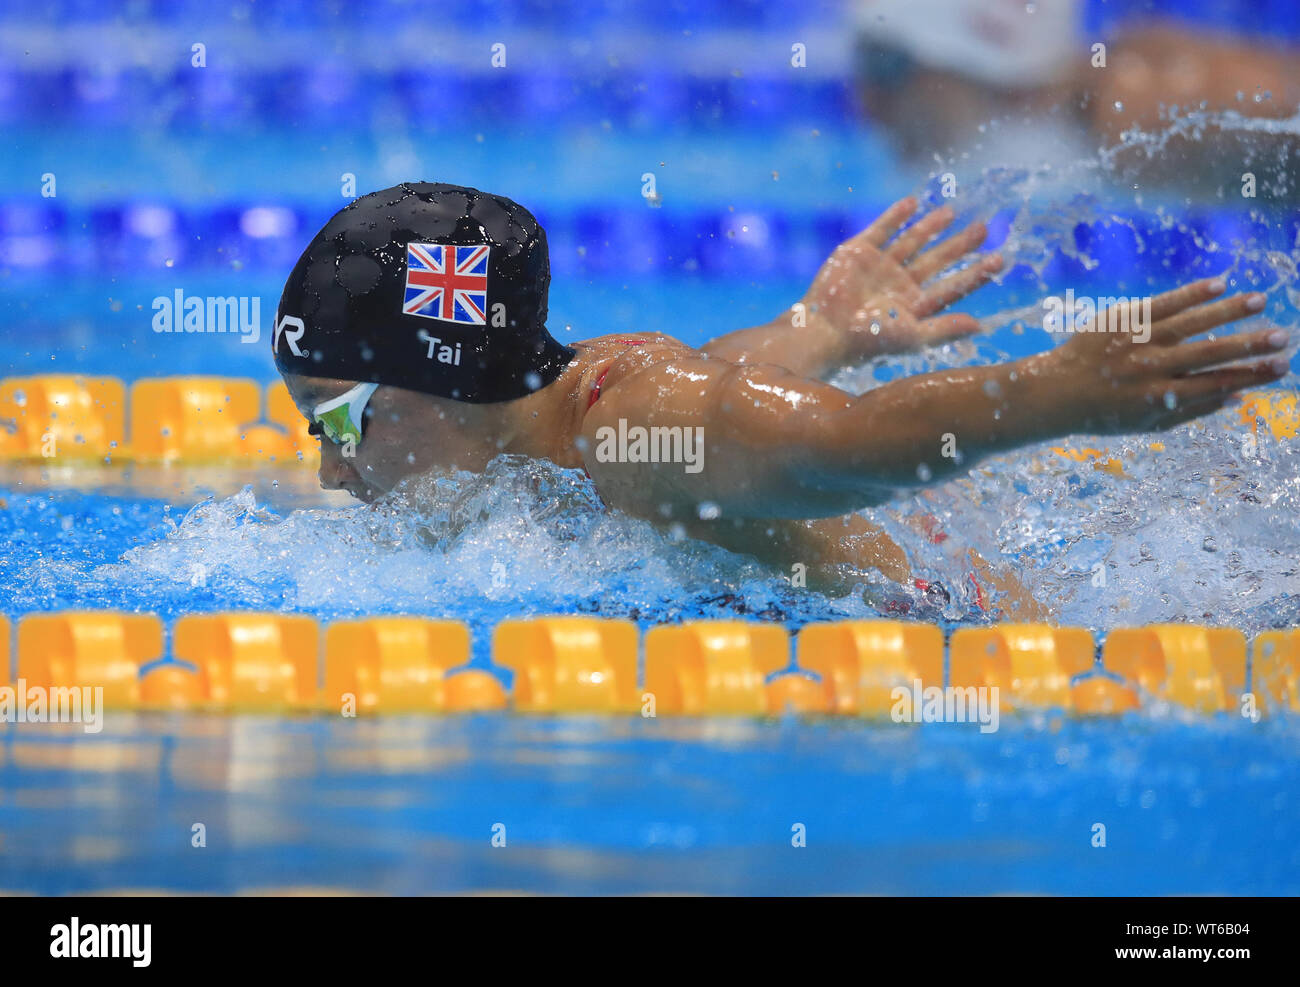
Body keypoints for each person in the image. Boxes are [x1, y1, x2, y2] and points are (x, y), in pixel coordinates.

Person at [273, 182, 1288, 616]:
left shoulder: (626, 432)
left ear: (445, 379)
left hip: (969, 636)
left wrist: (1050, 392)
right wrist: (823, 330)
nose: (329, 464)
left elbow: (829, 445)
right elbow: (722, 380)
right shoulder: (583, 409)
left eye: (340, 416)